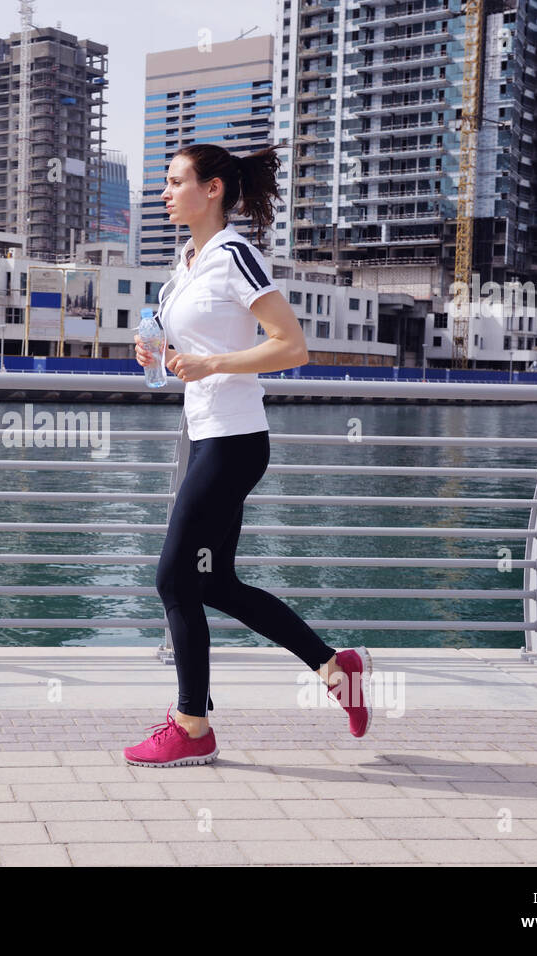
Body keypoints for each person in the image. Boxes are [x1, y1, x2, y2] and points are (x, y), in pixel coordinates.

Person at [124, 142, 371, 768]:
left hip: (234, 441)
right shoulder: (188, 261)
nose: (164, 192)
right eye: (165, 182)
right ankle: (333, 667)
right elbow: (194, 346)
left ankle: (192, 726)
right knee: (213, 582)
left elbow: (291, 346)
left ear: (212, 190)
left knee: (172, 581)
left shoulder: (236, 255)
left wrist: (213, 363)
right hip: (207, 435)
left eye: (176, 181)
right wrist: (157, 352)